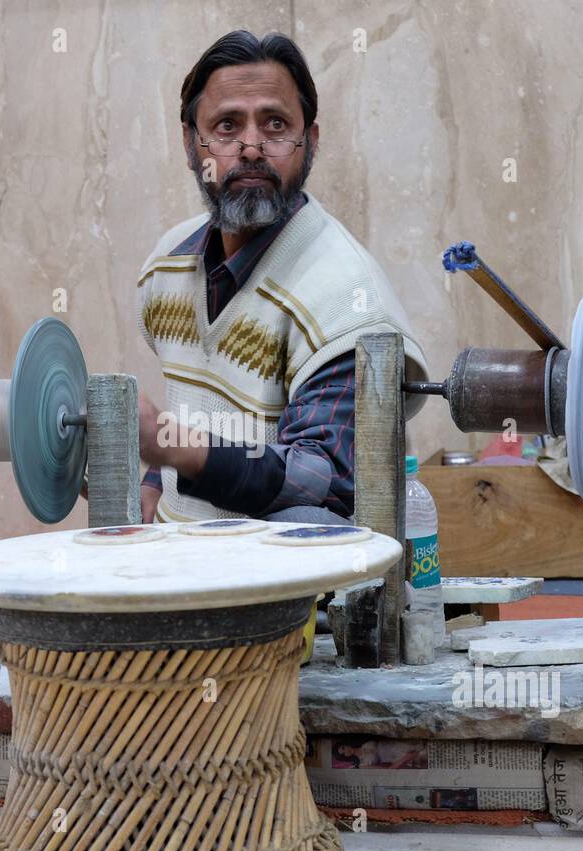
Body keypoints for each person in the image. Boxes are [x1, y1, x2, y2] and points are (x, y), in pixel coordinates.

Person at [135, 30, 428, 525]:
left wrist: (171, 445)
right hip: (171, 569)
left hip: (285, 595)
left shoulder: (349, 303)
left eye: (275, 125)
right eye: (227, 126)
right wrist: (152, 480)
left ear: (309, 141)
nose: (251, 147)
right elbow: (198, 407)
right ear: (190, 142)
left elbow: (318, 480)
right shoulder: (166, 265)